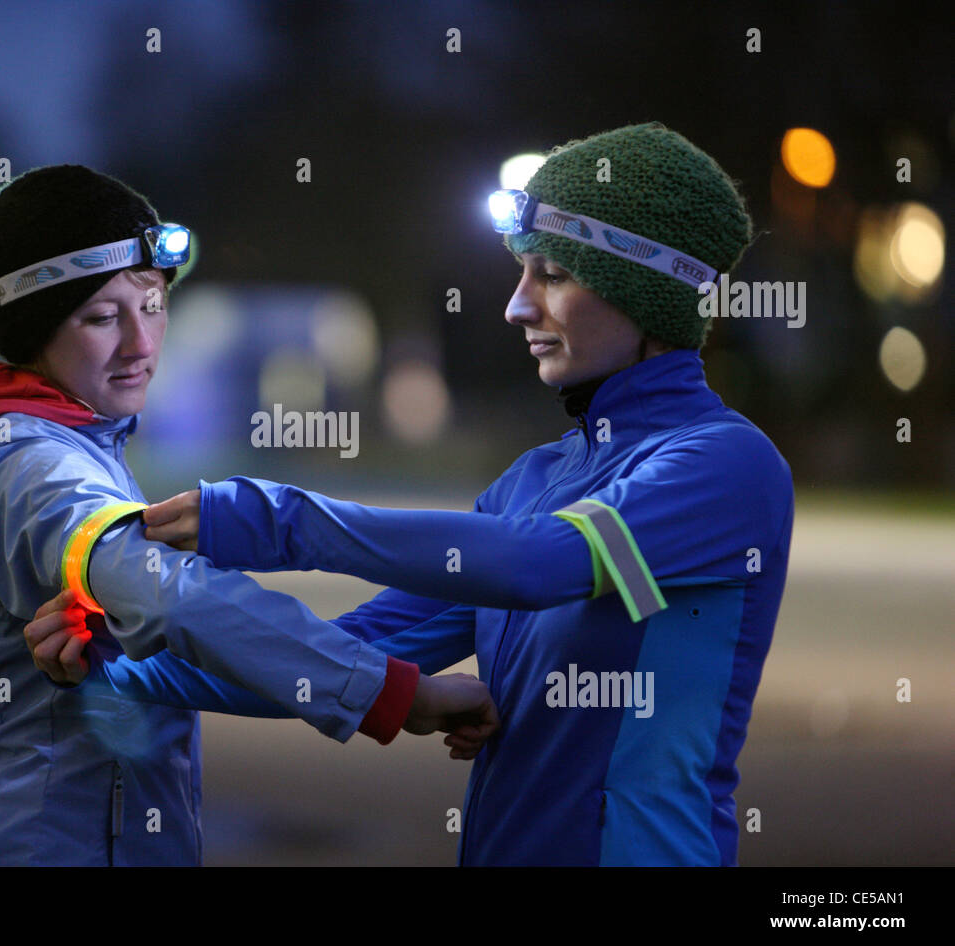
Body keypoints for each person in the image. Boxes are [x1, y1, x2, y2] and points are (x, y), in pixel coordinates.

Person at [136, 123, 795, 865]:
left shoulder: (727, 464)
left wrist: (279, 521)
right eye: (523, 273)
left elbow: (543, 564)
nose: (517, 306)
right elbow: (337, 656)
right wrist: (120, 658)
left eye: (552, 274)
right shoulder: (532, 481)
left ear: (644, 294)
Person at [0, 165, 497, 866]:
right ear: (32, 327)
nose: (141, 343)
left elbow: (185, 647)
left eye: (153, 304)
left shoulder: (73, 436)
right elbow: (175, 601)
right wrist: (395, 695)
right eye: (102, 316)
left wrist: (383, 673)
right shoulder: (26, 461)